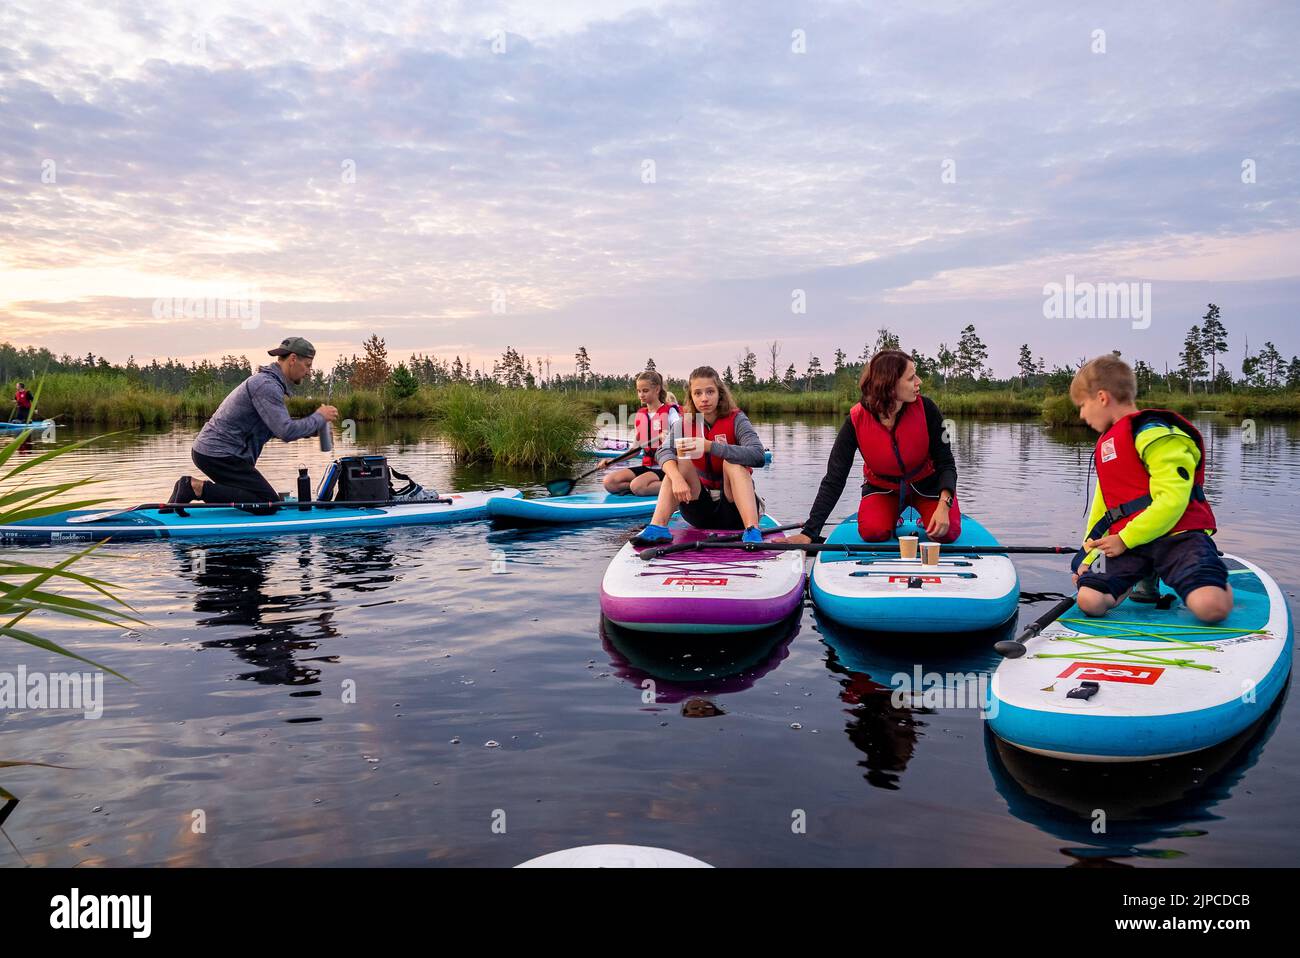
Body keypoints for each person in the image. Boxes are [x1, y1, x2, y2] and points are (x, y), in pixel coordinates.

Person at [1068, 354, 1232, 623]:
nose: (1081, 414)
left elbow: (1172, 499)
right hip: (1129, 543)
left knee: (1210, 607)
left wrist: (1124, 539)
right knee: (1090, 600)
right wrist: (1090, 554)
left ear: (1101, 397)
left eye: (1082, 405)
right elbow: (1104, 508)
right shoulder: (1107, 446)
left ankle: (1206, 574)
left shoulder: (1156, 434)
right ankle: (1137, 576)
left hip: (1179, 538)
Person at [788, 349, 959, 546]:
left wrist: (944, 504)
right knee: (873, 532)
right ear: (890, 386)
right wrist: (810, 532)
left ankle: (925, 514)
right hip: (883, 489)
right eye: (912, 377)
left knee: (947, 533)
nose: (919, 381)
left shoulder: (928, 409)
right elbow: (834, 479)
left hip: (928, 486)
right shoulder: (855, 420)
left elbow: (947, 463)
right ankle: (892, 516)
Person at [166, 337, 339, 509]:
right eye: (308, 365)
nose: (309, 372)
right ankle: (195, 488)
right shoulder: (267, 385)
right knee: (266, 503)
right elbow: (285, 431)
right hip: (219, 454)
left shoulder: (269, 383)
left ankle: (173, 504)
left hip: (214, 452)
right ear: (293, 359)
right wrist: (318, 417)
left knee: (256, 497)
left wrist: (314, 429)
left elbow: (273, 428)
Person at [631, 365, 767, 544]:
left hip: (734, 512)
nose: (704, 399)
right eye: (698, 393)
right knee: (678, 462)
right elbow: (663, 451)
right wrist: (677, 478)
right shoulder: (685, 422)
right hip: (699, 511)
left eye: (710, 392)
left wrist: (710, 446)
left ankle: (752, 531)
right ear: (691, 397)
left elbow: (758, 455)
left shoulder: (737, 419)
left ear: (720, 393)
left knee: (732, 462)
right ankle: (658, 527)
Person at [601, 370, 681, 497]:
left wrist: (669, 436)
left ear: (657, 389)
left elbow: (681, 434)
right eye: (639, 391)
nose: (641, 395)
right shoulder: (641, 415)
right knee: (609, 482)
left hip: (666, 468)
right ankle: (643, 488)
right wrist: (612, 461)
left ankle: (679, 485)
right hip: (647, 467)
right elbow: (635, 450)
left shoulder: (670, 413)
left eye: (645, 391)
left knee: (637, 485)